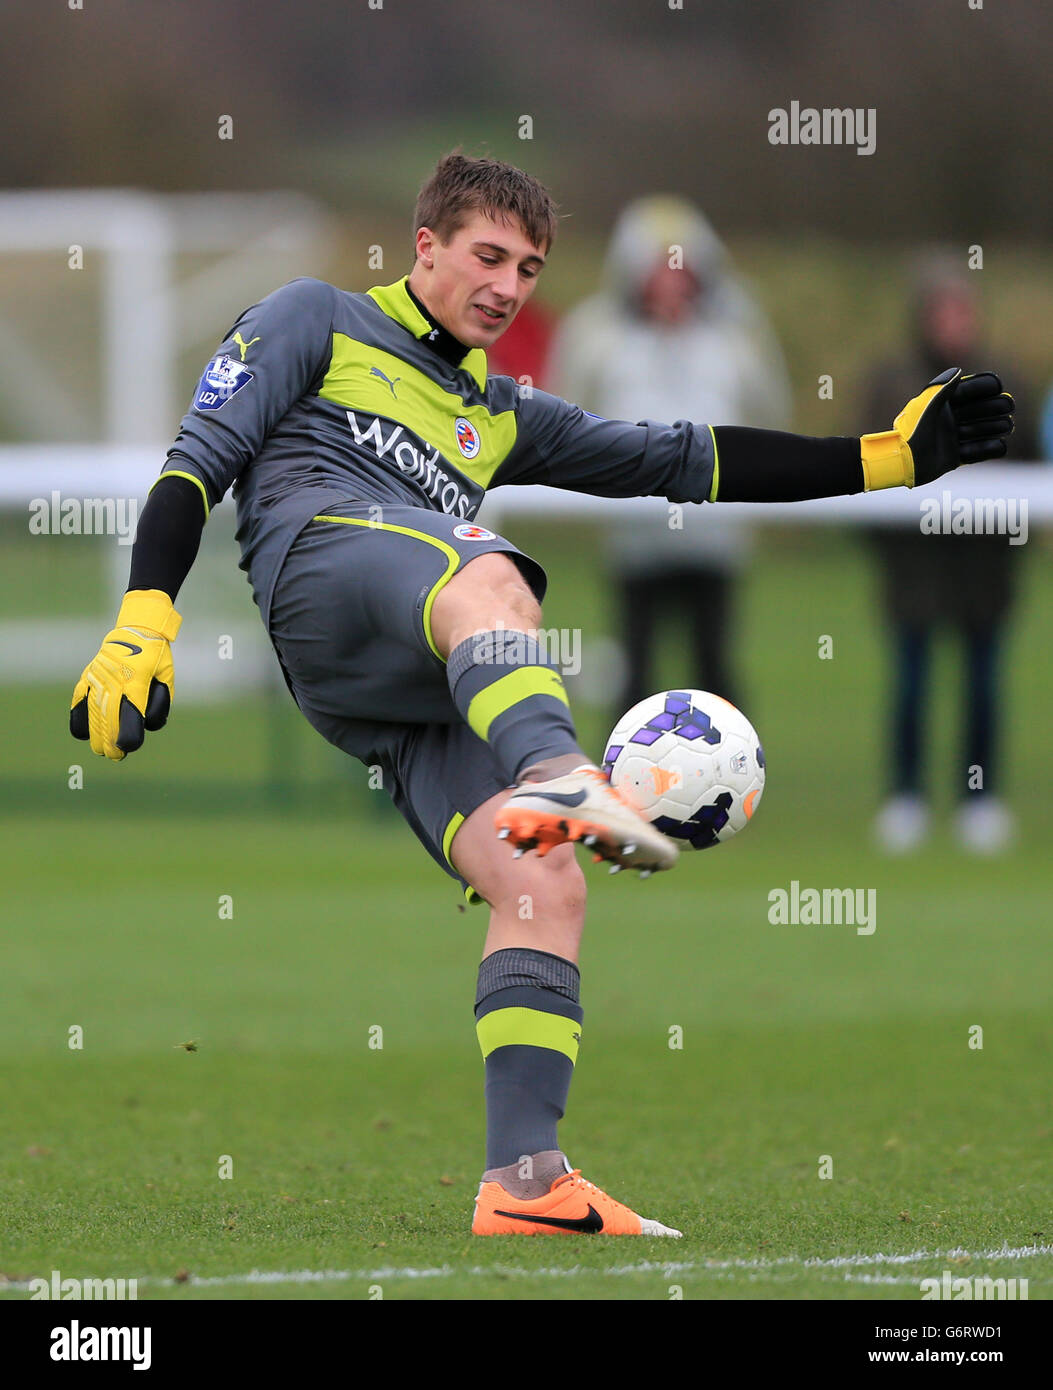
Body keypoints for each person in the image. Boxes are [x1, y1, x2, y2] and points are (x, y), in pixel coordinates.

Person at [70, 153, 1014, 1237]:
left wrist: (887, 458)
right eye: (487, 255)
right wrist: (147, 614)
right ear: (424, 246)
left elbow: (684, 458)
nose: (509, 286)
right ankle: (563, 768)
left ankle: (525, 1181)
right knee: (490, 573)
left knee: (547, 881)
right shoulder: (314, 318)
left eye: (529, 266)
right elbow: (194, 464)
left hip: (400, 686)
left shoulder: (503, 409)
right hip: (321, 574)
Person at [551, 195, 792, 714]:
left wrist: (750, 326)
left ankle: (731, 780)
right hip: (635, 538)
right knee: (635, 672)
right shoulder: (600, 337)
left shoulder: (732, 339)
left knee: (715, 667)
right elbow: (565, 414)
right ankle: (623, 786)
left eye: (681, 269)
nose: (671, 283)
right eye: (658, 270)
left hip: (715, 538)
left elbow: (772, 412)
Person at [862, 256, 1037, 855]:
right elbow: (856, 466)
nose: (953, 322)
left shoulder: (1005, 380)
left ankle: (979, 799)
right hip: (915, 571)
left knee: (983, 684)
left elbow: (1031, 472)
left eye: (963, 310)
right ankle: (906, 796)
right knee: (911, 682)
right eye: (942, 311)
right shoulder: (890, 383)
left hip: (985, 572)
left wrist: (1011, 539)